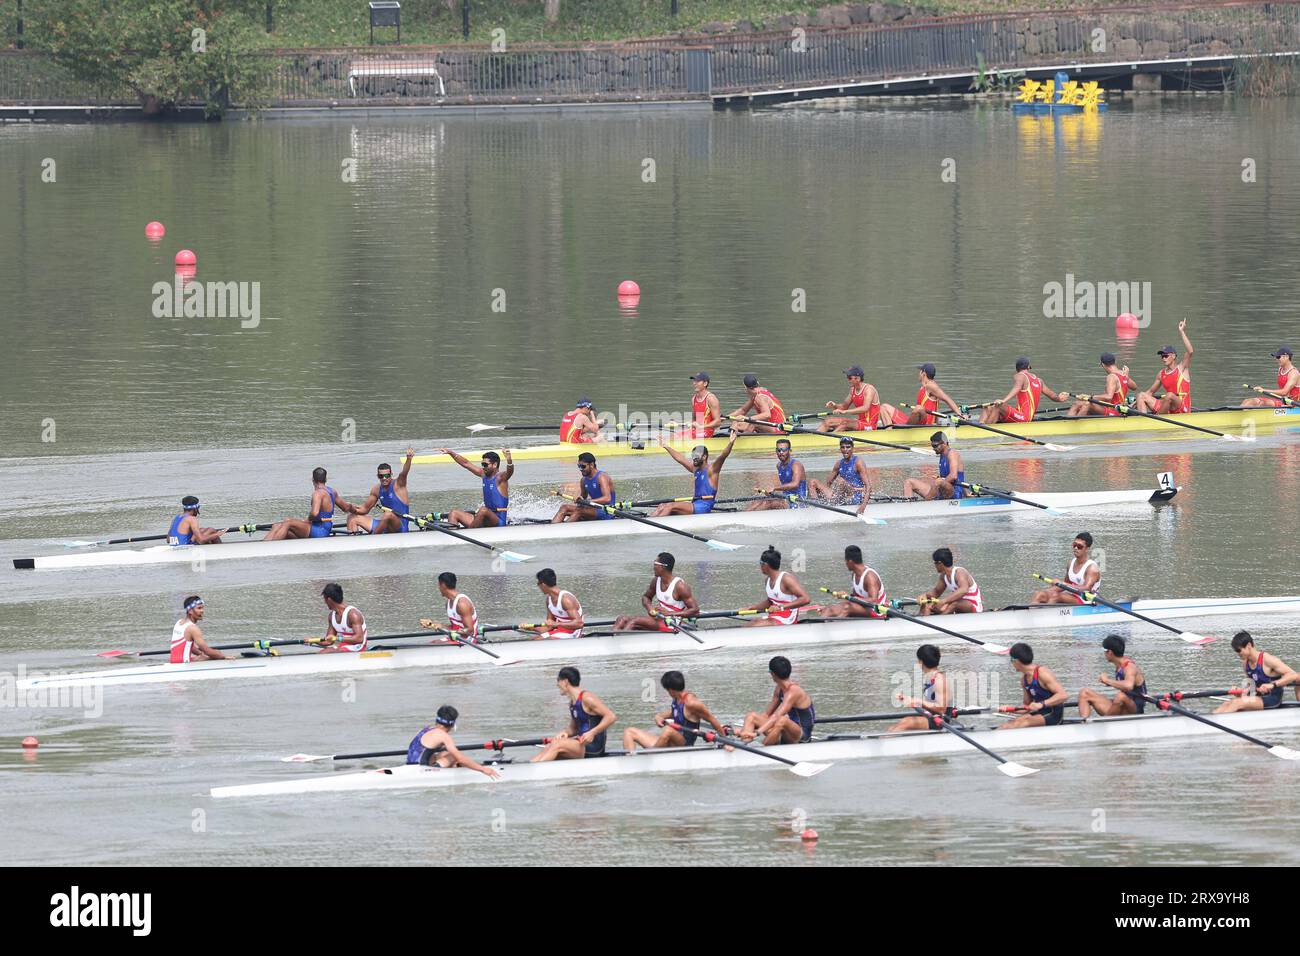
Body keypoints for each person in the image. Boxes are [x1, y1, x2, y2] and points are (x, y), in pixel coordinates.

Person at [622, 671, 727, 752]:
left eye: (666, 690)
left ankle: (652, 757)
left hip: (684, 744)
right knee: (629, 731)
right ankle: (631, 760)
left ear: (671, 690)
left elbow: (712, 719)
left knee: (668, 730)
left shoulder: (692, 703)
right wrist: (659, 716)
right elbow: (674, 713)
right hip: (670, 742)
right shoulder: (677, 698)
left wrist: (725, 741)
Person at [531, 666, 616, 761]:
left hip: (593, 747)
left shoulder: (587, 698)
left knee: (557, 744)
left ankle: (536, 770)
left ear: (565, 682)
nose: (557, 684)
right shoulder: (572, 703)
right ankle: (530, 767)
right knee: (551, 745)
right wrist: (565, 733)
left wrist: (592, 732)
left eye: (558, 680)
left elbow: (611, 716)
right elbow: (574, 729)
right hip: (580, 744)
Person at [406, 705, 501, 779]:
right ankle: (441, 772)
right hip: (420, 771)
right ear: (452, 724)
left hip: (410, 765)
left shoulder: (426, 729)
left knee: (444, 753)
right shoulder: (444, 736)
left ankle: (454, 768)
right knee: (454, 756)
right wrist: (483, 769)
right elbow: (461, 759)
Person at [1213, 632, 1298, 713]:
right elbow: (1251, 689)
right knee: (1227, 703)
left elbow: (1293, 675)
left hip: (1272, 699)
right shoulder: (1245, 663)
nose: (1237, 654)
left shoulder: (1268, 659)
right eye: (1236, 651)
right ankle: (1210, 723)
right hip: (1257, 698)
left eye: (1239, 650)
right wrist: (1239, 692)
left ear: (1249, 645)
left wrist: (1273, 685)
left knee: (1237, 703)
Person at [738, 656, 816, 745]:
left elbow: (776, 716)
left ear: (772, 674)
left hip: (802, 735)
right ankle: (743, 744)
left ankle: (761, 748)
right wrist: (746, 730)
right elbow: (767, 715)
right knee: (751, 716)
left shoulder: (793, 691)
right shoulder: (779, 689)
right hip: (786, 732)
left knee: (782, 720)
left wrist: (756, 733)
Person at [651, 435, 737, 516]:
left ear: (704, 457)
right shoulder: (695, 469)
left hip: (703, 507)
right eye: (693, 456)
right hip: (695, 504)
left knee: (670, 506)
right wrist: (666, 446)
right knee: (662, 505)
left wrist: (731, 443)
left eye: (696, 456)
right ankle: (651, 520)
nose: (693, 458)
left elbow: (723, 456)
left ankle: (653, 526)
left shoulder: (712, 470)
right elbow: (680, 459)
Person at [614, 553, 700, 631]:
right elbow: (646, 597)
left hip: (671, 623)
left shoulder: (680, 586)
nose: (653, 567)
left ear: (663, 566)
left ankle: (621, 642)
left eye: (655, 564)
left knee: (635, 621)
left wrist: (670, 613)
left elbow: (695, 610)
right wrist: (650, 608)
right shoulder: (656, 581)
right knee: (621, 619)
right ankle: (612, 639)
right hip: (658, 619)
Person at [263, 467, 354, 541]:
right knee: (277, 526)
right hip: (324, 527)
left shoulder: (317, 493)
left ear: (312, 479)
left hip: (319, 530)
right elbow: (345, 507)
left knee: (288, 522)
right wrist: (358, 509)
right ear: (325, 479)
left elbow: (314, 513)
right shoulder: (332, 491)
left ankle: (270, 547)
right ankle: (263, 545)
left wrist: (307, 520)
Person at [997, 643, 1068, 728]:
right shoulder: (1024, 680)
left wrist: (1042, 704)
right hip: (1039, 713)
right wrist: (1010, 709)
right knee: (1007, 725)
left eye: (1011, 660)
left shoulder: (1042, 673)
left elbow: (1063, 695)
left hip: (1054, 715)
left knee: (1018, 724)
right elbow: (1026, 708)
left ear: (1015, 661)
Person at [980, 357, 1069, 425]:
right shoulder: (1039, 381)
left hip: (1024, 418)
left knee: (998, 405)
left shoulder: (1020, 375)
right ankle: (981, 425)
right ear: (1028, 367)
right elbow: (1054, 396)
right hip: (1021, 415)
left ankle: (984, 430)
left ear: (1017, 369)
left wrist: (1003, 401)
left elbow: (1017, 388)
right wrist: (1060, 398)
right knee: (988, 406)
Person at [345, 449, 415, 534]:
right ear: (378, 476)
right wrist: (350, 508)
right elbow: (364, 509)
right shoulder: (376, 489)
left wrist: (409, 459)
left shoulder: (399, 484)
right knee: (352, 518)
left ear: (391, 474)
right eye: (381, 476)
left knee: (387, 514)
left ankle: (373, 537)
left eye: (387, 475)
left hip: (399, 526)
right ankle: (354, 543)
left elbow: (404, 473)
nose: (384, 478)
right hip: (384, 525)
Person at [1077, 635, 1148, 718]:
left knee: (1120, 696)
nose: (1104, 654)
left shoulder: (1129, 667)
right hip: (1122, 706)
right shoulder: (1119, 665)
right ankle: (1083, 724)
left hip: (1135, 709)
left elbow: (1128, 685)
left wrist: (1107, 681)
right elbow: (1123, 685)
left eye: (1104, 650)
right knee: (1084, 692)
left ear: (1110, 652)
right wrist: (1109, 683)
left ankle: (1105, 722)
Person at [439, 448, 513, 528]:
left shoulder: (500, 478)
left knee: (483, 510)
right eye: (482, 464)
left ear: (494, 465)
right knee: (454, 513)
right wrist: (451, 453)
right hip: (484, 518)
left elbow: (509, 472)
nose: (483, 467)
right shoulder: (483, 474)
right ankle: (453, 535)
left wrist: (509, 460)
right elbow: (466, 463)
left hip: (498, 520)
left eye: (485, 465)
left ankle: (470, 532)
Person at [743, 545, 810, 627]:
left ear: (766, 565)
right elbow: (770, 601)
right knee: (751, 624)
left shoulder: (786, 579)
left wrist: (781, 607)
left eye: (760, 563)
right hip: (774, 616)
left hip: (788, 618)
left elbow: (806, 599)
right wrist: (750, 608)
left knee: (753, 626)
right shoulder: (767, 580)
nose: (759, 566)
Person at [1136, 319, 1193, 414]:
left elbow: (1190, 351)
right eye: (1162, 356)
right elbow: (1150, 392)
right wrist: (1135, 402)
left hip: (1182, 408)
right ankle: (1143, 421)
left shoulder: (1182, 368)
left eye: (1166, 356)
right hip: (1167, 407)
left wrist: (1182, 332)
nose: (1163, 358)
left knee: (1169, 395)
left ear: (1173, 356)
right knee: (1141, 395)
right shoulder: (1161, 374)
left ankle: (1158, 419)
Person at [888, 645, 951, 731]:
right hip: (932, 716)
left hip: (941, 720)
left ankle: (886, 742)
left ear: (921, 662)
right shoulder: (931, 678)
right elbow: (930, 703)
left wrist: (918, 701)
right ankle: (885, 740)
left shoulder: (939, 680)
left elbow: (941, 709)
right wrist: (908, 699)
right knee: (896, 725)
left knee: (907, 722)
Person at [1030, 532, 1101, 605]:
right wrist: (1048, 591)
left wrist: (1063, 584)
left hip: (1086, 600)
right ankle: (1031, 613)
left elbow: (1087, 588)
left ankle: (1046, 614)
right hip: (1071, 595)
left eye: (1079, 546)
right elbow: (1066, 584)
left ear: (1087, 549)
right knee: (1039, 594)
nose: (1076, 548)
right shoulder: (1070, 563)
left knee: (1055, 596)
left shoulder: (1092, 568)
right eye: (1074, 545)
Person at [881, 363, 962, 427]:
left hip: (925, 424)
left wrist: (960, 415)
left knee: (918, 408)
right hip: (916, 422)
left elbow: (947, 399)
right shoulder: (924, 386)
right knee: (884, 407)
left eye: (920, 371)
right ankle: (889, 431)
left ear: (923, 374)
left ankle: (902, 430)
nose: (918, 373)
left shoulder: (931, 386)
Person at [821, 544, 888, 618]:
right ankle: (821, 623)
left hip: (878, 610)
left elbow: (873, 600)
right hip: (864, 607)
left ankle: (835, 627)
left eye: (845, 561)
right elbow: (855, 597)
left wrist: (851, 598)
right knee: (829, 609)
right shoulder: (854, 574)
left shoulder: (869, 576)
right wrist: (845, 595)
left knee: (847, 607)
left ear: (850, 562)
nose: (845, 563)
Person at [551, 452, 617, 522]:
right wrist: (580, 500)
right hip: (593, 509)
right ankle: (553, 528)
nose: (580, 469)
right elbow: (583, 498)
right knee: (564, 507)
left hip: (607, 511)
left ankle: (564, 529)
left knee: (580, 511)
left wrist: (587, 501)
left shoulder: (602, 477)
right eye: (579, 466)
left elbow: (607, 499)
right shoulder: (583, 480)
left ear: (591, 465)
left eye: (583, 466)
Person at [1068, 353, 1138, 417]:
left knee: (1087, 404)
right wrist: (1127, 376)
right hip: (1116, 408)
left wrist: (1089, 397)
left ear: (1102, 364)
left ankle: (1071, 426)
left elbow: (1108, 397)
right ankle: (1073, 421)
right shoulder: (1123, 374)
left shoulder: (1112, 377)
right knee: (1077, 404)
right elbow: (1134, 387)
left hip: (1112, 410)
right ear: (1115, 362)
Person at [918, 547, 982, 615]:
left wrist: (943, 601)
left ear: (940, 563)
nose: (934, 566)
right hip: (958, 603)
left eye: (935, 563)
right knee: (929, 605)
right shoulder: (943, 576)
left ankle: (940, 621)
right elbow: (936, 592)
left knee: (954, 604)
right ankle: (920, 618)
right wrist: (924, 595)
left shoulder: (959, 572)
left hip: (973, 605)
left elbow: (963, 590)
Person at [747, 438, 807, 510]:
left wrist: (774, 488)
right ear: (776, 451)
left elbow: (795, 484)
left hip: (798, 502)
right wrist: (767, 490)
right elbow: (783, 486)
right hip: (786, 499)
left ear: (790, 451)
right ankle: (743, 515)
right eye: (779, 450)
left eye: (784, 450)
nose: (781, 452)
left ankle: (748, 517)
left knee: (769, 503)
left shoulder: (796, 465)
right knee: (758, 500)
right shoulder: (779, 465)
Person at [901, 432, 964, 501]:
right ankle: (907, 505)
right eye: (932, 446)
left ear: (944, 443)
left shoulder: (952, 453)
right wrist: (938, 480)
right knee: (909, 482)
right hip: (943, 490)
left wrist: (939, 482)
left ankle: (926, 504)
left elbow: (953, 476)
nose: (933, 448)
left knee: (938, 482)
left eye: (935, 446)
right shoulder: (942, 455)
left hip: (955, 491)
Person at [808, 436, 871, 505]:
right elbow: (828, 483)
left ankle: (831, 503)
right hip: (840, 495)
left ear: (853, 449)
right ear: (840, 449)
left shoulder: (858, 462)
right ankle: (816, 505)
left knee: (840, 481)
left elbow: (869, 487)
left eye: (848, 447)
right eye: (843, 447)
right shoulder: (838, 464)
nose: (845, 449)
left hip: (855, 495)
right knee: (812, 482)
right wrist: (822, 494)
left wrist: (863, 506)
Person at [819, 365, 883, 432]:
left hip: (870, 426)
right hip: (859, 422)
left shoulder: (869, 389)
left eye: (849, 378)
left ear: (858, 378)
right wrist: (834, 405)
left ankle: (830, 440)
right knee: (828, 421)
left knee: (844, 424)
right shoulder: (852, 390)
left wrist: (845, 412)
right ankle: (815, 438)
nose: (848, 380)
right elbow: (844, 407)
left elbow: (865, 408)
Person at [420, 571, 479, 641]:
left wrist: (452, 632)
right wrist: (435, 625)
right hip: (458, 638)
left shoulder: (462, 604)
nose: (438, 588)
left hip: (469, 640)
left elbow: (469, 630)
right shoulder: (448, 603)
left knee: (434, 644)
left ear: (443, 585)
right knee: (434, 642)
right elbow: (454, 627)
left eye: (439, 585)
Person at [170, 596, 228, 663]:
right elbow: (207, 651)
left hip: (174, 662)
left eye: (202, 608)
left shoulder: (179, 622)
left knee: (208, 656)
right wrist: (223, 656)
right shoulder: (193, 628)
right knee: (217, 653)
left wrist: (200, 654)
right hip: (183, 665)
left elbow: (190, 646)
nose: (202, 611)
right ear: (190, 611)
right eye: (199, 608)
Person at [534, 567, 585, 639]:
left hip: (574, 631)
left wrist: (556, 624)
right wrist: (529, 628)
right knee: (535, 639)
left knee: (547, 640)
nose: (538, 586)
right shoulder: (549, 600)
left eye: (538, 583)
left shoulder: (566, 599)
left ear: (543, 584)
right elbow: (548, 627)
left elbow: (579, 623)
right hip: (560, 630)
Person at [317, 583, 368, 653]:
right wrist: (312, 640)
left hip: (358, 646)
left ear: (329, 600)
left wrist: (336, 638)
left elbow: (359, 639)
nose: (324, 602)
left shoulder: (353, 614)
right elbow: (328, 642)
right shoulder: (331, 616)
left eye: (324, 599)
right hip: (344, 645)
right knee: (322, 652)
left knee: (326, 652)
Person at [684, 372, 722, 438]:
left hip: (707, 432)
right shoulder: (694, 399)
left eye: (697, 381)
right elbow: (695, 420)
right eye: (694, 381)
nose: (694, 383)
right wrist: (690, 423)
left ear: (705, 383)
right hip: (697, 431)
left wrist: (701, 426)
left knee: (682, 437)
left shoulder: (711, 399)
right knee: (673, 435)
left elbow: (718, 422)